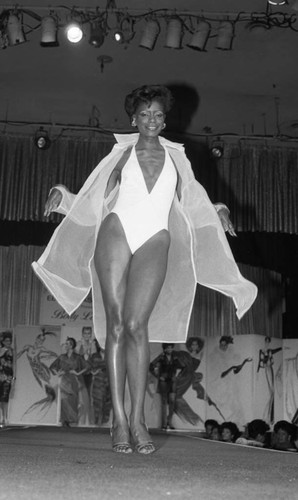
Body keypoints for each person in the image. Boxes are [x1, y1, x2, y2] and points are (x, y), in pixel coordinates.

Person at [32, 84, 257, 454]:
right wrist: (62, 193)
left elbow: (193, 198)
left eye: (157, 114)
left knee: (139, 326)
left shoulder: (177, 157)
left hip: (157, 235)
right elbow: (92, 199)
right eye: (144, 114)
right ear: (133, 119)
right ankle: (119, 420)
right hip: (117, 228)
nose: (151, 120)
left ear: (164, 119)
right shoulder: (120, 154)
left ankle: (138, 418)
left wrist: (219, 209)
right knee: (117, 323)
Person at [149, 343, 182, 430]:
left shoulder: (175, 357)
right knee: (164, 402)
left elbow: (182, 366)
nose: (169, 350)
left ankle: (169, 422)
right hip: (163, 381)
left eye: (171, 348)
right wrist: (158, 376)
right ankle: (164, 423)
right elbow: (151, 366)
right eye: (168, 348)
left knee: (172, 401)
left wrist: (177, 376)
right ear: (164, 349)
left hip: (172, 381)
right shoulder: (161, 357)